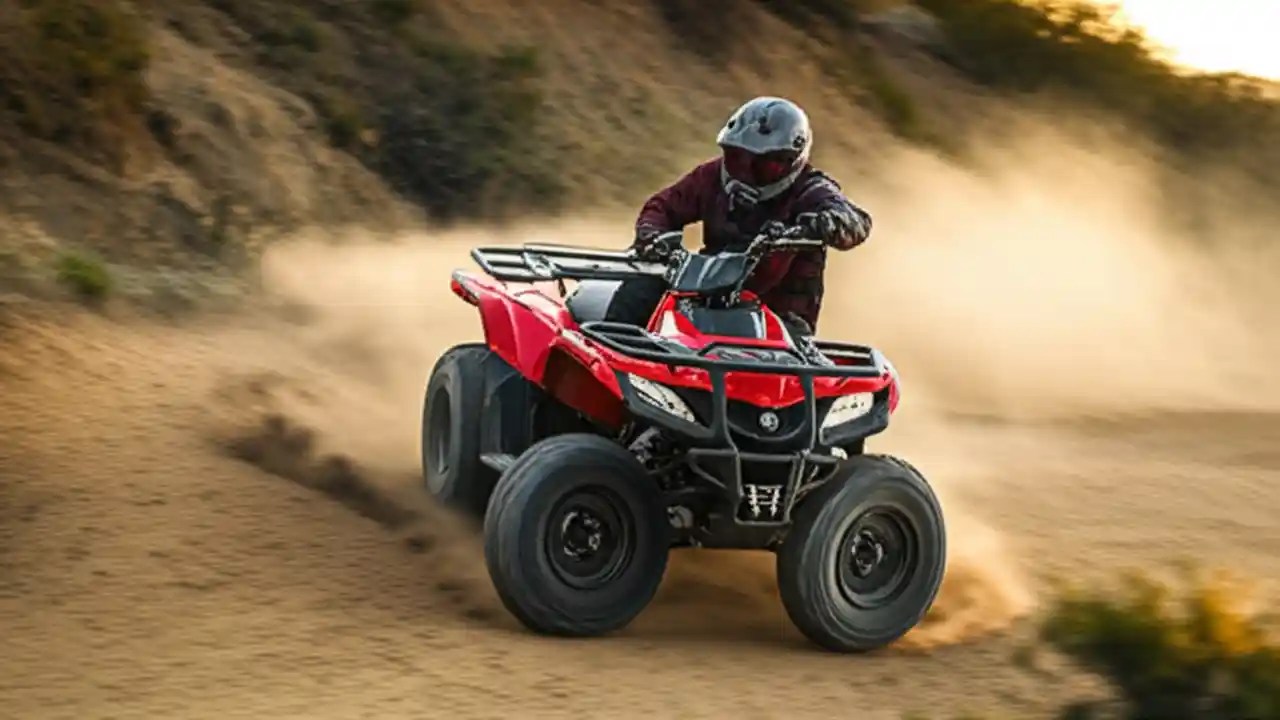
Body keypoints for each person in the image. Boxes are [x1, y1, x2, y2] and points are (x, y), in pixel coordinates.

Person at [604, 96, 873, 355]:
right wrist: (652, 236)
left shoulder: (811, 189)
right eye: (736, 158)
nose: (743, 172)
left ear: (790, 161)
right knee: (642, 288)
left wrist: (826, 223)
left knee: (785, 373)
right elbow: (663, 206)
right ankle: (611, 360)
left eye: (761, 165)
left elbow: (857, 222)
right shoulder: (711, 176)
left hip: (781, 319)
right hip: (707, 296)